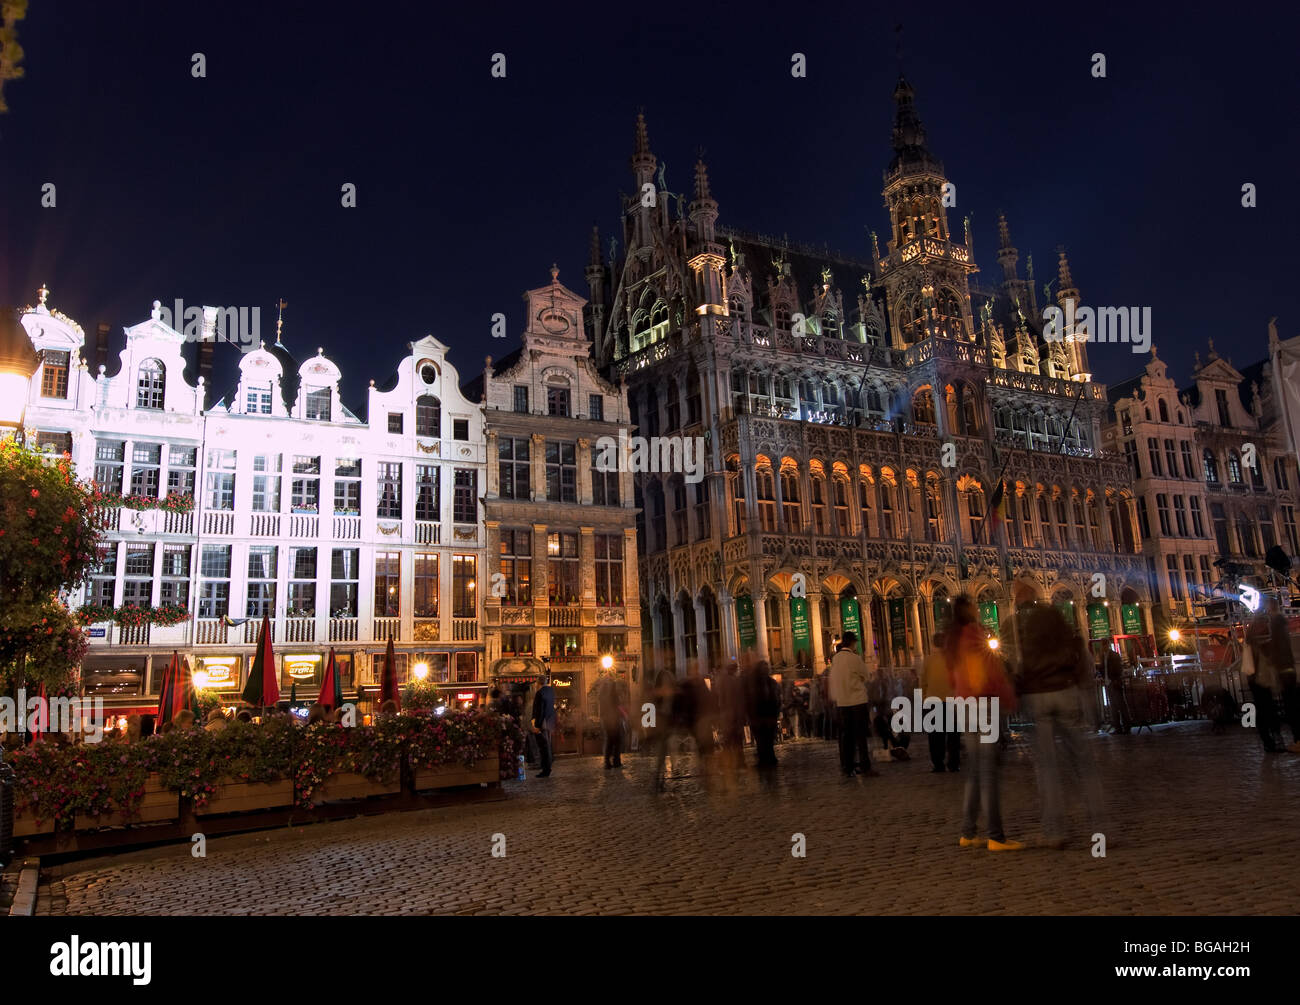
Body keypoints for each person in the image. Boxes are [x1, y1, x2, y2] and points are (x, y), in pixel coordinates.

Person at [1017, 608, 1104, 850]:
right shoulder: (1069, 641)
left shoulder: (1030, 643)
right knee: (1084, 766)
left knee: (1047, 769)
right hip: (1066, 693)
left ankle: (1055, 832)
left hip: (1039, 699)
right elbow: (1082, 670)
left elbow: (1022, 673)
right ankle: (1100, 829)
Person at [948, 595, 1023, 851]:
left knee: (975, 772)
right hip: (983, 706)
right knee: (988, 772)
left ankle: (968, 833)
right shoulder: (975, 634)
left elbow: (953, 677)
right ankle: (995, 836)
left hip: (964, 707)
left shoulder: (953, 640)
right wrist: (1009, 698)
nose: (979, 610)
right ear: (968, 610)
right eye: (975, 607)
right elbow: (991, 674)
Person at [828, 632, 876, 778]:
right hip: (857, 701)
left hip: (842, 702)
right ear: (853, 643)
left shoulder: (835, 660)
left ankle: (847, 766)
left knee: (846, 736)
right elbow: (866, 676)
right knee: (861, 736)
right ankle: (865, 766)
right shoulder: (854, 659)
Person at [1263, 596, 1300, 752]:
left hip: (1284, 669)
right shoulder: (1280, 621)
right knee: (1291, 706)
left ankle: (1298, 740)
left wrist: (1272, 660)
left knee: (1291, 707)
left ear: (1270, 606)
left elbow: (1278, 645)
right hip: (1287, 667)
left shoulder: (1276, 622)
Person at [1245, 606, 1284, 752]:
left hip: (1258, 677)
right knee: (1266, 708)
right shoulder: (1258, 635)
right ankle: (1271, 740)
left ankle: (1270, 740)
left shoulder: (1252, 632)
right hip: (1258, 677)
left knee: (1266, 708)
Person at [922, 631, 959, 772]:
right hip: (952, 701)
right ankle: (954, 763)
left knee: (935, 736)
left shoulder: (928, 660)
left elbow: (923, 682)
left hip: (933, 701)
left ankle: (938, 763)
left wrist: (924, 699)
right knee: (953, 734)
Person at [745, 659, 781, 768]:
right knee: (763, 739)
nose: (766, 670)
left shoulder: (769, 683)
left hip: (766, 715)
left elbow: (776, 699)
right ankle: (766, 758)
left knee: (767, 739)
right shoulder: (757, 684)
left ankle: (769, 758)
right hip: (761, 716)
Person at [531, 675, 557, 777]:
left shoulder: (539, 693)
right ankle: (548, 766)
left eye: (537, 683)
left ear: (538, 683)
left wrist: (537, 725)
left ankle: (546, 769)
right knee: (548, 745)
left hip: (543, 723)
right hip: (550, 721)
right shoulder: (551, 691)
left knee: (543, 747)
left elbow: (539, 710)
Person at [598, 674, 624, 769]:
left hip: (605, 719)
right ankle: (615, 761)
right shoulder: (612, 693)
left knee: (609, 740)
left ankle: (608, 762)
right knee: (616, 740)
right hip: (613, 718)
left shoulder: (602, 693)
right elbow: (617, 705)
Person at [1103, 646, 1129, 734]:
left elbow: (1117, 669)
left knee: (1120, 705)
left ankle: (1125, 726)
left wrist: (1115, 679)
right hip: (1109, 683)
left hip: (1114, 683)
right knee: (1114, 707)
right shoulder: (1105, 656)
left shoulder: (1113, 656)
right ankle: (1118, 727)